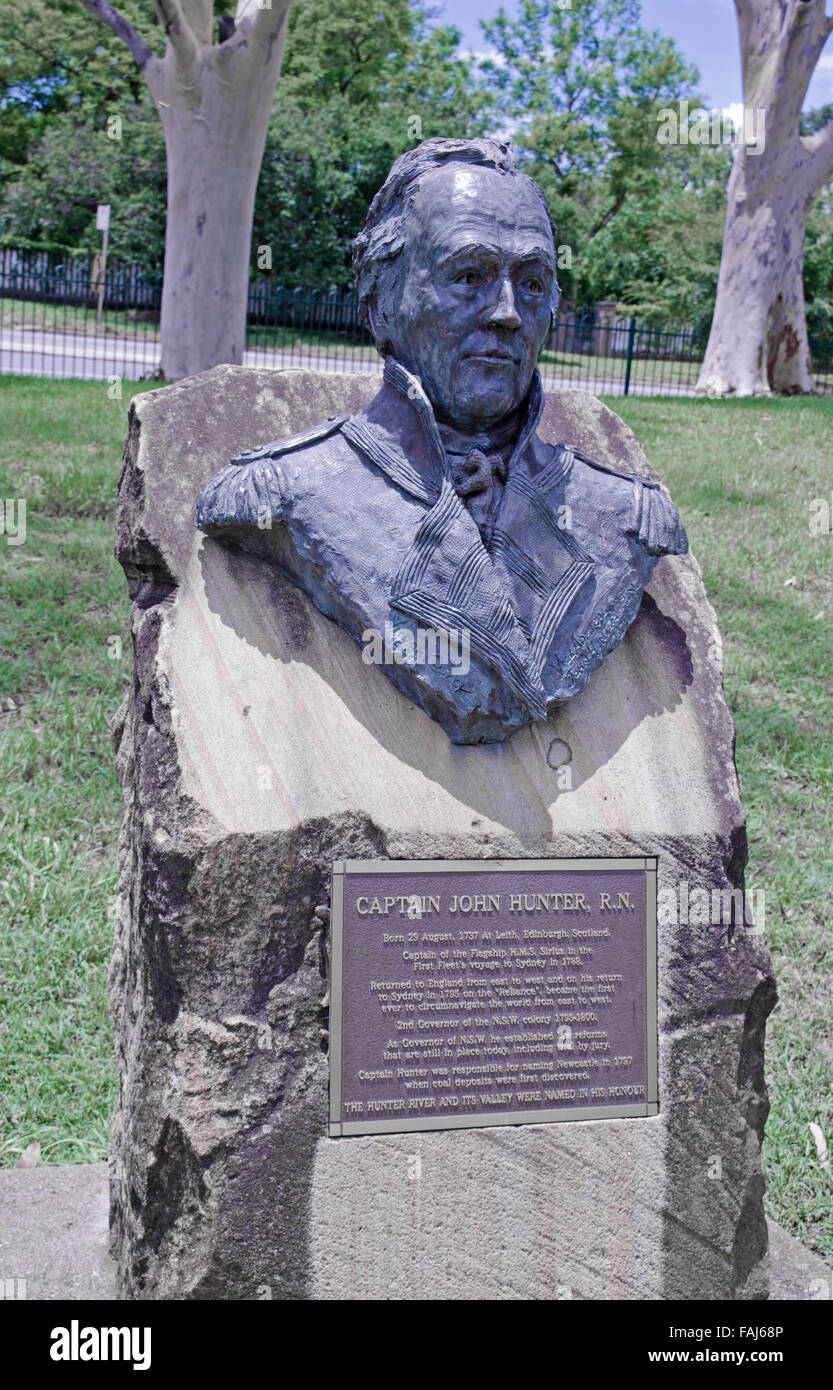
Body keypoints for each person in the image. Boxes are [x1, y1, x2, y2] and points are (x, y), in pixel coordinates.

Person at [197, 137, 687, 744]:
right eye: (469, 275)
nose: (507, 311)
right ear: (381, 305)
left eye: (533, 283)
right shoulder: (288, 494)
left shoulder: (624, 517)